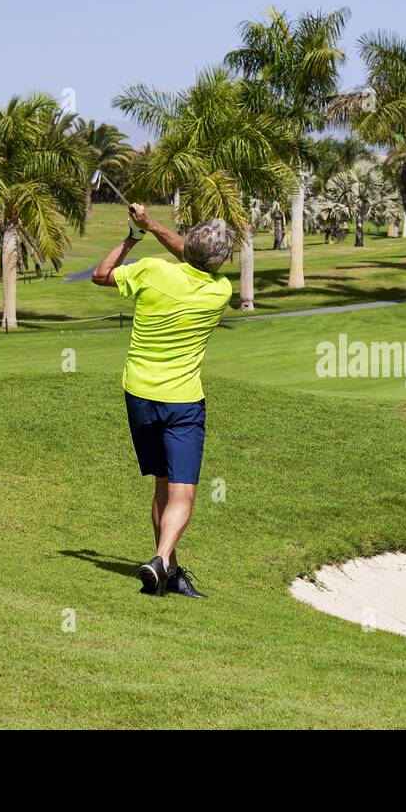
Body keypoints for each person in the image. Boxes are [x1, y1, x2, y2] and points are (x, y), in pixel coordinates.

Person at [91, 203, 234, 598]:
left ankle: (167, 569)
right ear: (220, 261)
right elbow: (193, 258)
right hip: (183, 403)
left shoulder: (151, 271)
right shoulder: (220, 291)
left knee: (162, 485)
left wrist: (137, 233)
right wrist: (154, 226)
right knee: (182, 492)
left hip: (138, 394)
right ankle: (160, 560)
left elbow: (100, 275)